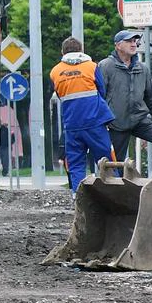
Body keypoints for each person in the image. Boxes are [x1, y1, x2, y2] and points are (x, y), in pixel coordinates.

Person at [97, 29, 152, 173]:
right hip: (116, 122)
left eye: (135, 41)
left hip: (139, 119)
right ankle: (117, 188)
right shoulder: (105, 66)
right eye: (129, 41)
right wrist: (103, 120)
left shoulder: (142, 68)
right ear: (118, 45)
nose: (134, 44)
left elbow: (150, 96)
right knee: (116, 162)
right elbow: (99, 96)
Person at [48, 36, 115, 191]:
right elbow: (102, 90)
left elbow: (59, 95)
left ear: (62, 52)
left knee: (75, 162)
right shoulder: (92, 66)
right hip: (95, 121)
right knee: (106, 158)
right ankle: (114, 190)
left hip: (72, 124)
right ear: (81, 50)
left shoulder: (55, 72)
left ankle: (78, 196)